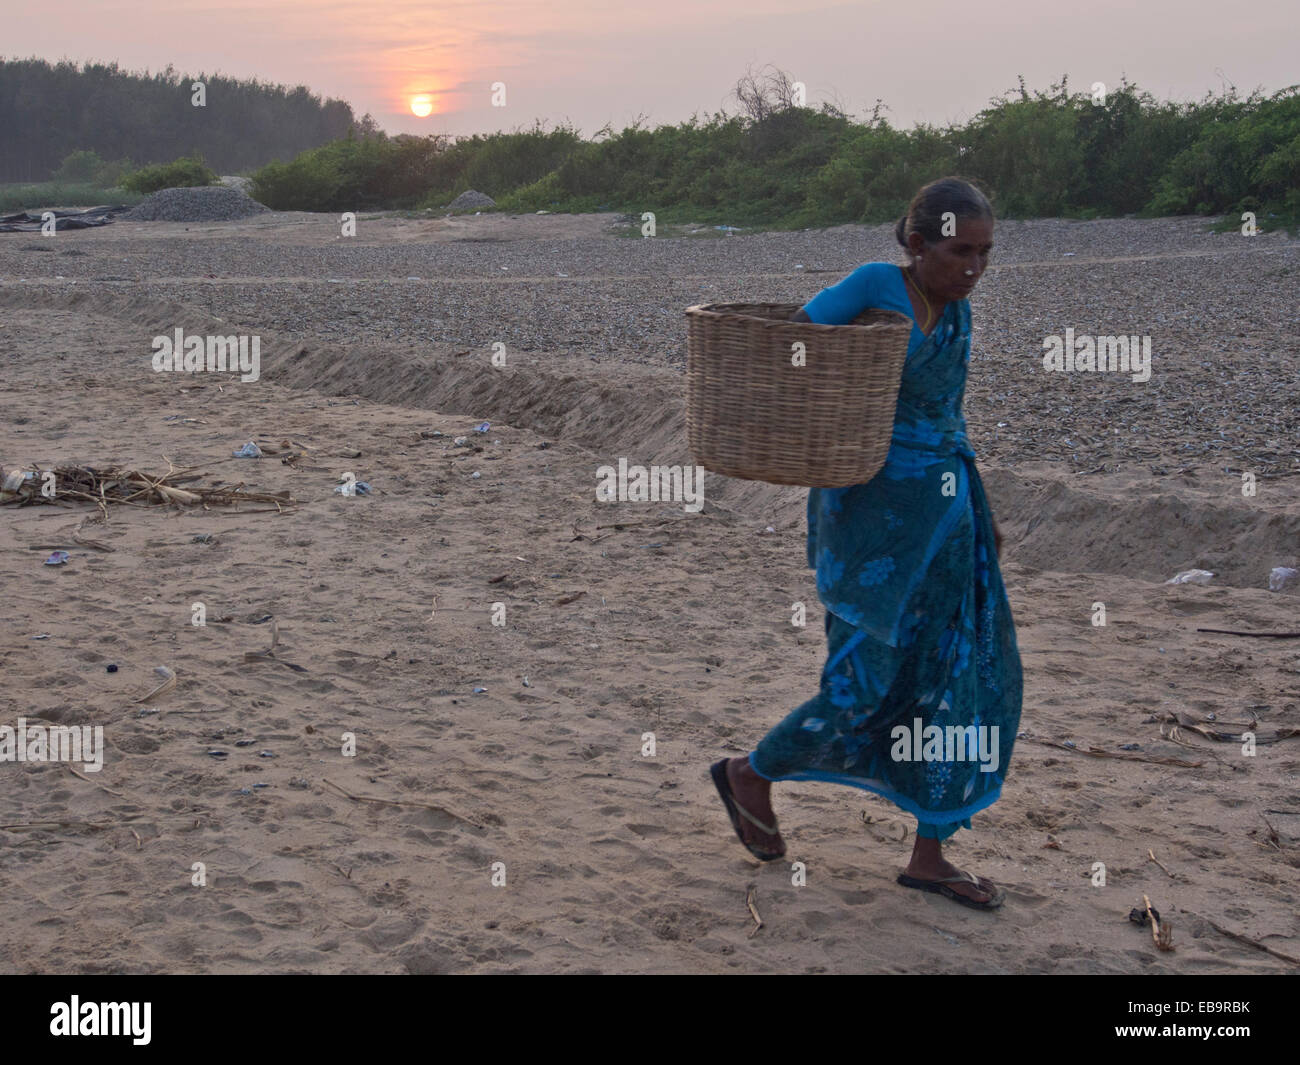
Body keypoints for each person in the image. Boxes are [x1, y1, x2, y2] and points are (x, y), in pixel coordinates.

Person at [711, 177, 1023, 910]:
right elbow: (787, 345)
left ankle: (930, 853)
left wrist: (984, 513)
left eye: (985, 253)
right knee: (860, 684)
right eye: (958, 251)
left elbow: (950, 412)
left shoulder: (958, 311)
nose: (973, 268)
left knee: (958, 677)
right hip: (874, 521)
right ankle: (750, 772)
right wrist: (856, 343)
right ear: (917, 245)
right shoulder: (877, 285)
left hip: (949, 513)